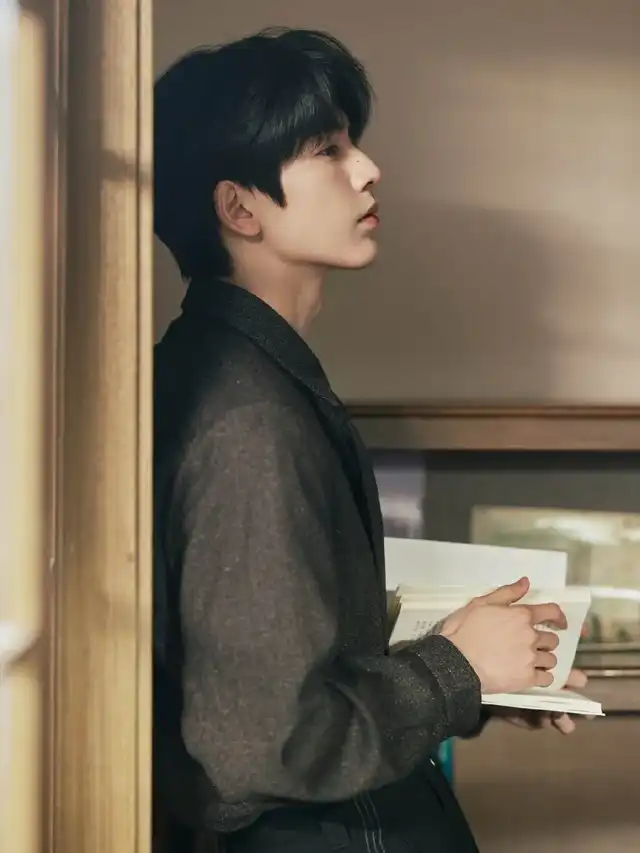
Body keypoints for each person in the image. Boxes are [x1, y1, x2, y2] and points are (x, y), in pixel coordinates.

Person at [152, 27, 583, 853]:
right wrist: (455, 668)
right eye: (328, 150)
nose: (368, 168)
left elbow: (290, 671)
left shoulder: (250, 376)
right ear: (239, 207)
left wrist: (476, 678)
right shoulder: (245, 416)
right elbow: (262, 744)